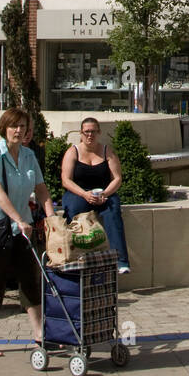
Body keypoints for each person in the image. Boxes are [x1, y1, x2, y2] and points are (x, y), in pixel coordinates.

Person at [0, 107, 55, 357]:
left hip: (23, 227)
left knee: (30, 279)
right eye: (14, 126)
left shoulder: (29, 155)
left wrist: (52, 218)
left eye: (23, 126)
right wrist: (17, 218)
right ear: (4, 128)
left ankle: (40, 334)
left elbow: (41, 189)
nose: (19, 131)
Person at [61, 117, 131, 273]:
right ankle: (77, 256)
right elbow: (66, 180)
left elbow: (117, 178)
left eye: (93, 131)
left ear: (99, 132)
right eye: (86, 132)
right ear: (81, 133)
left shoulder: (107, 151)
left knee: (113, 211)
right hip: (78, 192)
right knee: (74, 209)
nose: (90, 135)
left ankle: (121, 261)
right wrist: (84, 195)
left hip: (103, 193)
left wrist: (105, 193)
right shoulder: (73, 152)